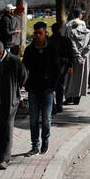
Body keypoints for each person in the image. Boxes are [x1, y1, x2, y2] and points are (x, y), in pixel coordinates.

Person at [0, 37, 27, 168]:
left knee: (7, 128)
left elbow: (23, 77)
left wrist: (15, 91)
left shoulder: (13, 61)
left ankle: (5, 158)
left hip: (9, 100)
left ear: (0, 52)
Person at [22, 21, 60, 154]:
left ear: (46, 33)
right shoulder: (29, 50)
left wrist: (53, 86)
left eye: (40, 33)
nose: (38, 36)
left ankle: (45, 141)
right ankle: (35, 145)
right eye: (36, 33)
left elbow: (57, 69)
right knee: (33, 119)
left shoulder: (52, 48)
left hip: (48, 89)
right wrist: (25, 84)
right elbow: (23, 68)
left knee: (46, 118)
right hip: (33, 89)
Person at [63, 11, 90, 104]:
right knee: (81, 78)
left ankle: (69, 97)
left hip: (73, 57)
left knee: (70, 78)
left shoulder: (70, 29)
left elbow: (72, 45)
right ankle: (77, 98)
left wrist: (78, 56)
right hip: (85, 58)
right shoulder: (88, 32)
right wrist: (83, 54)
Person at [50, 20, 72, 114]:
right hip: (62, 66)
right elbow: (71, 53)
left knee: (51, 87)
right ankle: (59, 105)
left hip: (51, 66)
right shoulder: (66, 40)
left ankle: (53, 105)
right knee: (60, 86)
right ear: (60, 29)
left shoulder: (49, 40)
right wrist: (70, 65)